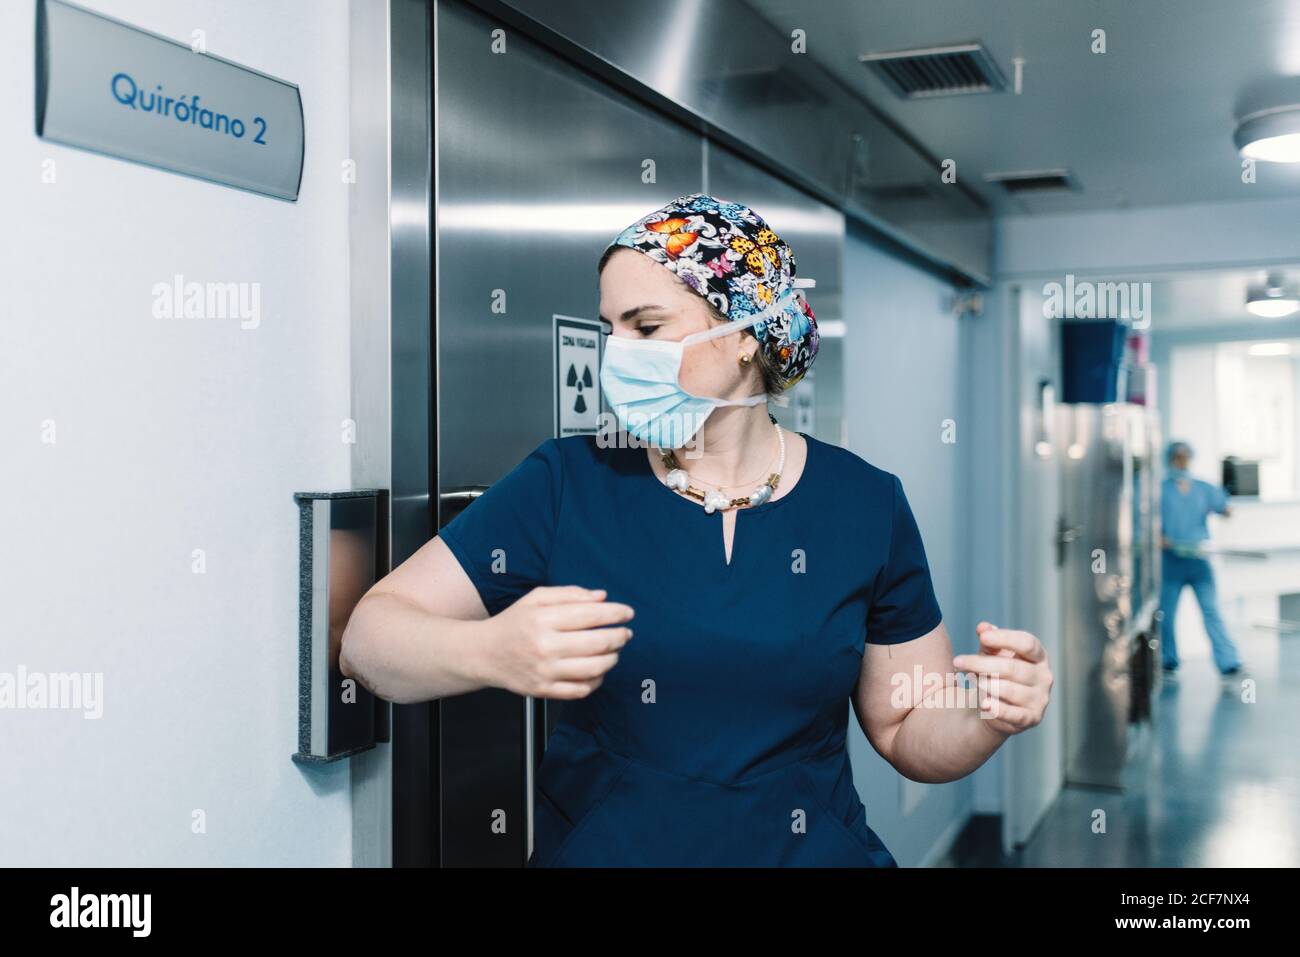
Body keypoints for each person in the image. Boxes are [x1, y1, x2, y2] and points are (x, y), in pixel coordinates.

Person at [338, 192, 1053, 867]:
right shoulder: (568, 482)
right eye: (609, 328)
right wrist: (490, 650)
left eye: (645, 327)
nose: (617, 352)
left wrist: (986, 716)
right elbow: (371, 638)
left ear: (744, 336)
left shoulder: (864, 504)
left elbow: (906, 729)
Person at [1158, 440, 1244, 679]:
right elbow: (1146, 519)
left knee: (1211, 611)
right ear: (1170, 459)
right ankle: (1168, 660)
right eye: (1177, 457)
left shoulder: (1203, 488)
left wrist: (1227, 506)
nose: (1181, 461)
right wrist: (1159, 537)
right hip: (1172, 562)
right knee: (1166, 613)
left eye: (1185, 457)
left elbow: (1223, 507)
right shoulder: (1160, 489)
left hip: (1199, 562)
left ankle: (1228, 661)